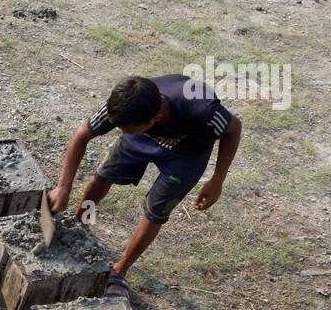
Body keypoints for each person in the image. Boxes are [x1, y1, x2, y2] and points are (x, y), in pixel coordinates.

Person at [47, 74, 243, 297]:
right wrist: (63, 187)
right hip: (141, 136)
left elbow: (234, 128)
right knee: (104, 175)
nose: (119, 132)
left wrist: (217, 180)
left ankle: (119, 271)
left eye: (125, 128)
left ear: (157, 118)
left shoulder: (203, 112)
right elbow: (82, 135)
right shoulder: (127, 104)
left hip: (188, 153)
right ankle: (82, 223)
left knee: (156, 210)